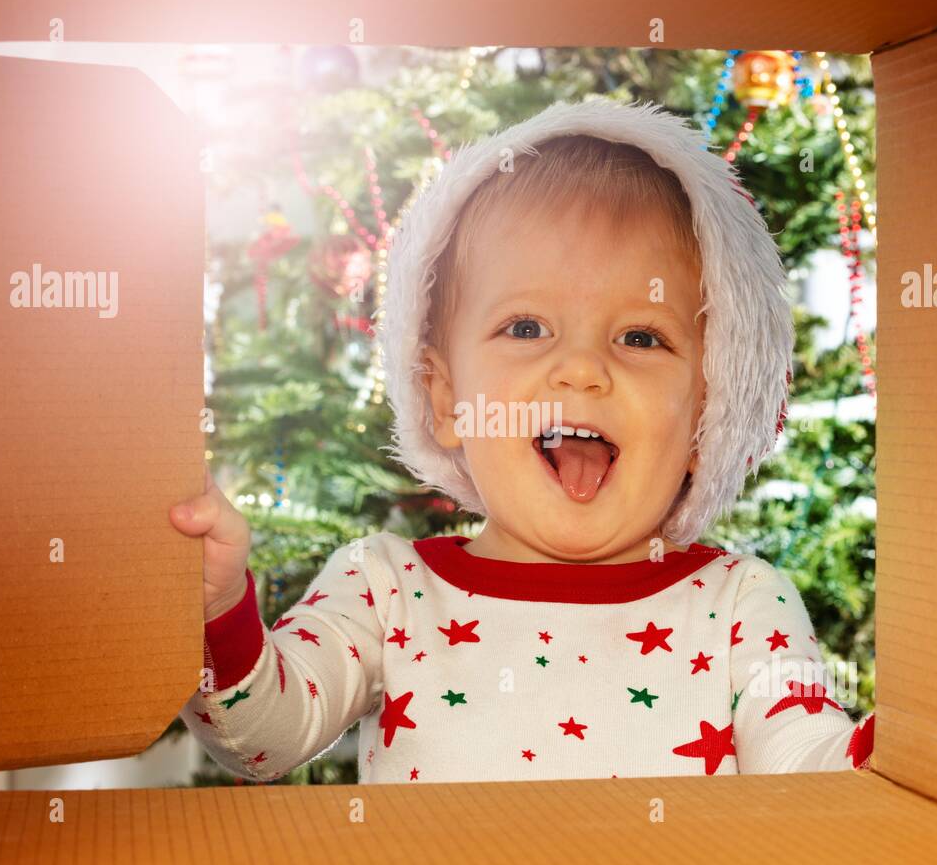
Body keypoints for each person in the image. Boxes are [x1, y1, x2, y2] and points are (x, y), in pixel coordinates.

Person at [169, 99, 874, 784]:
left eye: (640, 336)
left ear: (703, 420)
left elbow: (813, 765)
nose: (581, 370)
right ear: (445, 400)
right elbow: (260, 738)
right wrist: (215, 602)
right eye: (527, 328)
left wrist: (903, 751)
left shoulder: (740, 603)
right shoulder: (385, 589)